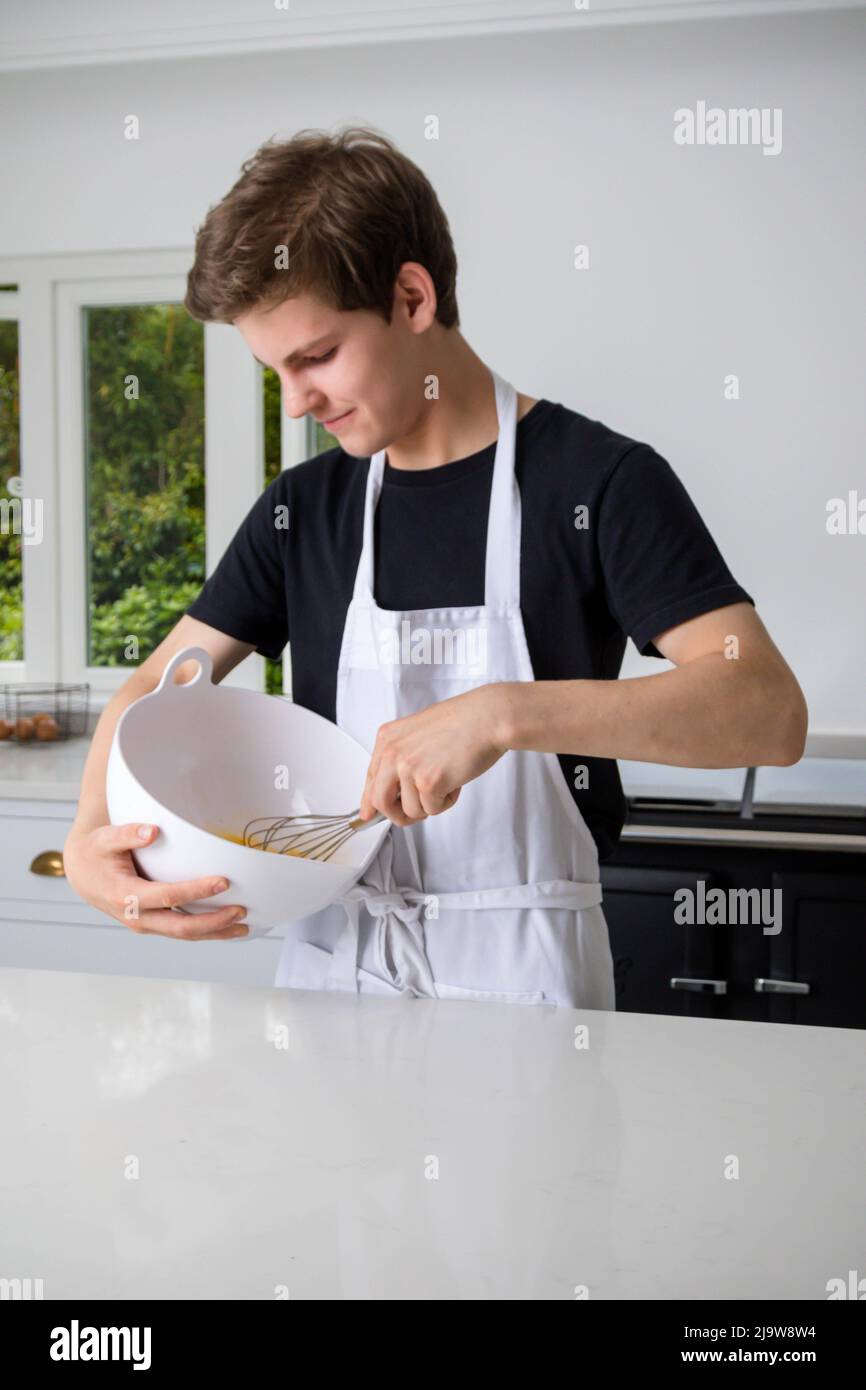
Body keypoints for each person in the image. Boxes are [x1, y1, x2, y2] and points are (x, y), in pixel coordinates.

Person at [64, 126, 808, 1007]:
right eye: (275, 371)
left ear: (412, 297)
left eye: (315, 357)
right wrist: (86, 841)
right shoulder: (303, 510)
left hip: (525, 984)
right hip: (332, 974)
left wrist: (503, 714)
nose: (297, 401)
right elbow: (157, 682)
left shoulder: (598, 481)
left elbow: (765, 709)